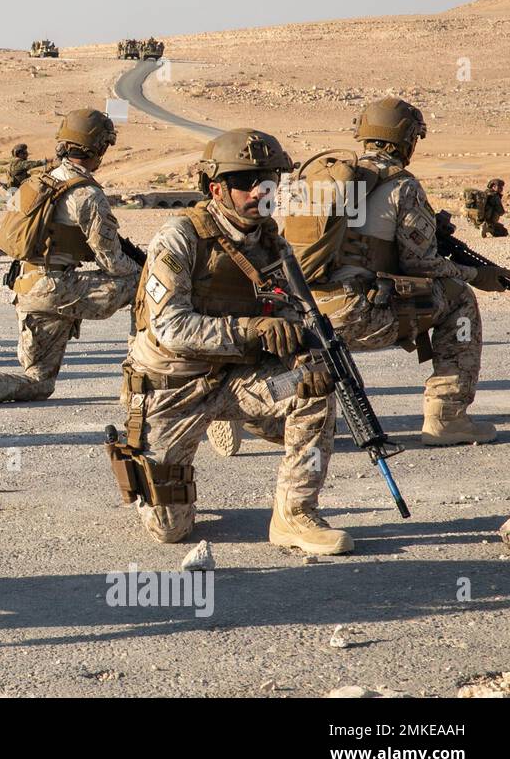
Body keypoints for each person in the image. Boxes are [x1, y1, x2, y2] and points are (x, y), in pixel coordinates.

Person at [207, 98, 510, 456]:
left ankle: (248, 407)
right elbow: (422, 266)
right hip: (356, 312)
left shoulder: (322, 178)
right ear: (407, 140)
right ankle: (447, 415)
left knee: (316, 357)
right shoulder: (403, 186)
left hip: (298, 308)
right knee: (458, 297)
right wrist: (477, 275)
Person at [108, 128, 349, 555]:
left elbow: (293, 308)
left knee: (312, 384)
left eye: (268, 180)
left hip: (238, 380)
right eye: (245, 182)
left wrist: (301, 339)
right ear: (216, 188)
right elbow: (169, 328)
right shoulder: (180, 238)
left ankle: (294, 514)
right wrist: (250, 330)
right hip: (173, 389)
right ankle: (177, 445)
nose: (260, 190)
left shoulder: (273, 243)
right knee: (171, 530)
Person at [0, 109, 139, 407]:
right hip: (60, 289)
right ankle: (140, 382)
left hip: (27, 289)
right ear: (99, 148)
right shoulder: (88, 194)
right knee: (146, 284)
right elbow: (113, 262)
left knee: (39, 384)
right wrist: (143, 266)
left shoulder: (37, 182)